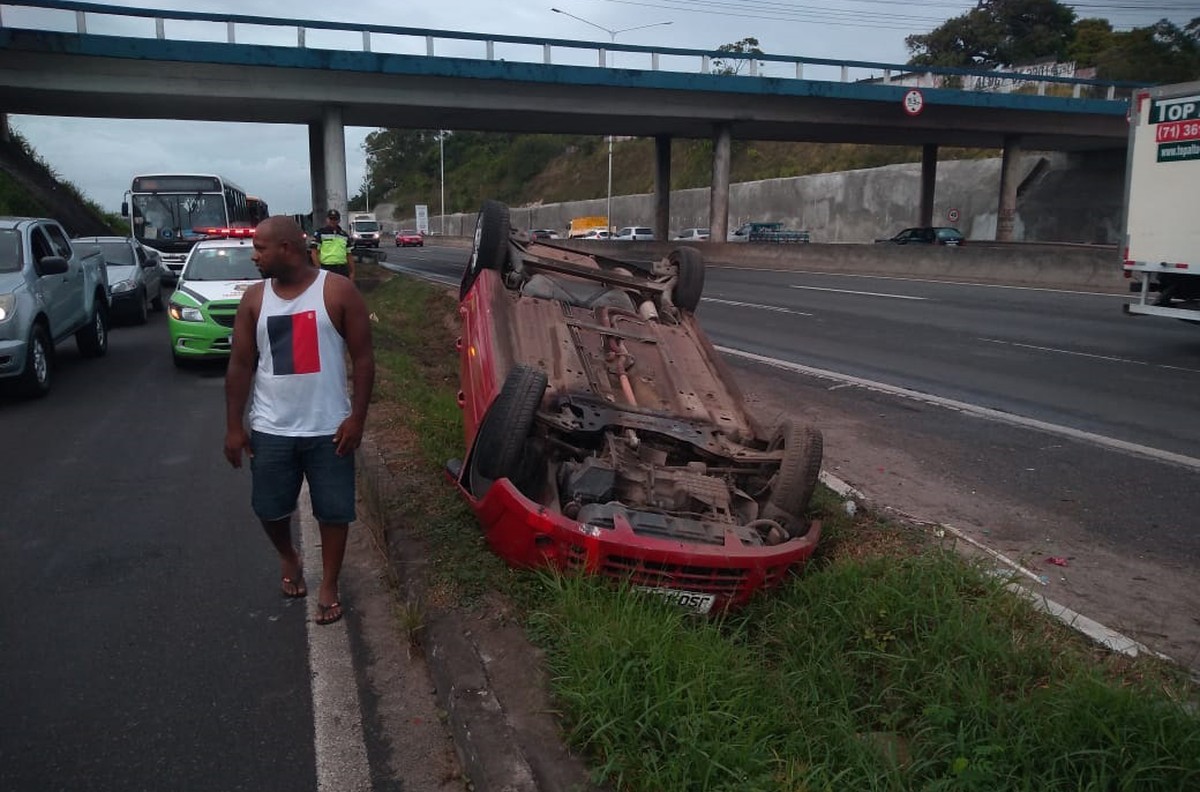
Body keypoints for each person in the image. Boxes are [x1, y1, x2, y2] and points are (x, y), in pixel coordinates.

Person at [224, 216, 374, 626]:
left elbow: (363, 359)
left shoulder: (338, 291)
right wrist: (235, 426)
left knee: (334, 511)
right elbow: (240, 365)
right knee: (269, 509)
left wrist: (357, 418)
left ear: (287, 249)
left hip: (329, 428)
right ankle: (288, 555)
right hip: (272, 428)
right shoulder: (255, 299)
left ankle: (328, 582)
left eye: (260, 248)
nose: (254, 256)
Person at [311, 208, 355, 281]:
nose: (333, 221)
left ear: (339, 220)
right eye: (331, 219)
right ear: (327, 219)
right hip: (326, 268)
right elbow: (314, 252)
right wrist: (319, 268)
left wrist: (352, 272)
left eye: (335, 219)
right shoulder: (320, 233)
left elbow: (349, 255)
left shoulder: (344, 235)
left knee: (342, 291)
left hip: (342, 269)